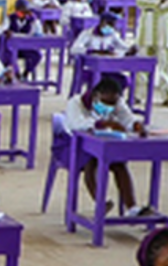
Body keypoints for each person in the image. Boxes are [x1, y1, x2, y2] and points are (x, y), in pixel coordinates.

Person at [60, 78, 154, 217]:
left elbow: (127, 118)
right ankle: (101, 203)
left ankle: (132, 208)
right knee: (90, 164)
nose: (110, 106)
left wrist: (136, 125)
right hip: (74, 145)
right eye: (106, 102)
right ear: (96, 95)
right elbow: (77, 125)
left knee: (119, 165)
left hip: (103, 143)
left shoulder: (117, 102)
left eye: (113, 103)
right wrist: (104, 123)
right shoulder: (76, 103)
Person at [0, 0, 43, 78]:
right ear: (16, 10)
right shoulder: (10, 18)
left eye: (25, 11)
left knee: (37, 55)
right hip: (11, 49)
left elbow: (39, 32)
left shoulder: (31, 20)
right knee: (10, 56)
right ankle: (17, 74)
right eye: (20, 10)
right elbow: (1, 30)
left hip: (25, 48)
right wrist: (6, 31)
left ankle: (26, 73)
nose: (23, 13)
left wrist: (35, 19)